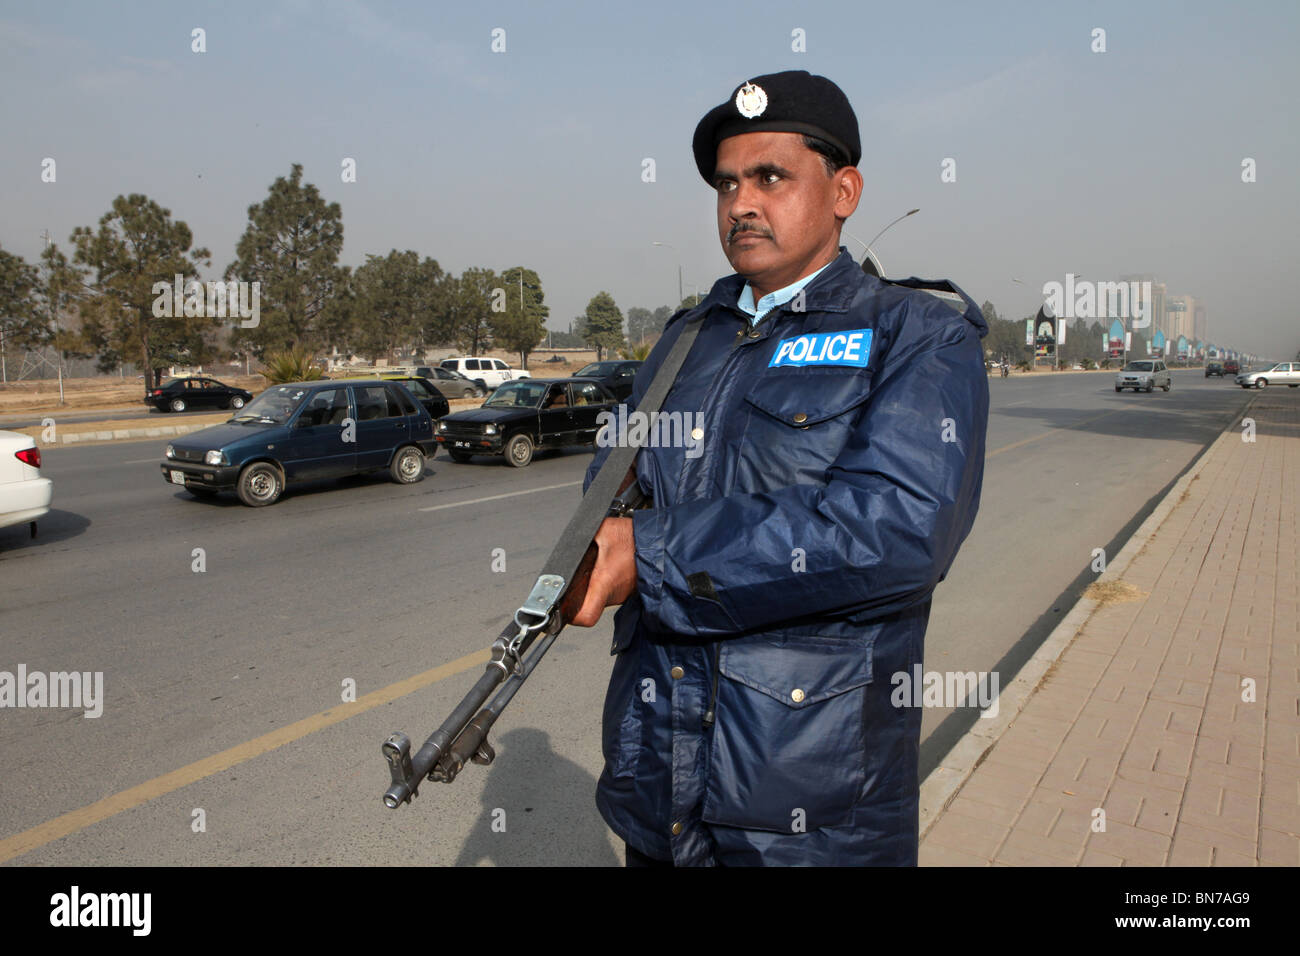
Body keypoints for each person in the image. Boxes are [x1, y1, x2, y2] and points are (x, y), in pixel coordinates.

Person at [571, 70, 990, 866]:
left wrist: (652, 554)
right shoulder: (688, 338)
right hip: (659, 783)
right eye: (727, 184)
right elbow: (612, 481)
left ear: (844, 190)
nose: (741, 203)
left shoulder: (916, 335)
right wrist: (600, 541)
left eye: (770, 177)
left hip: (809, 806)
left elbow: (897, 533)